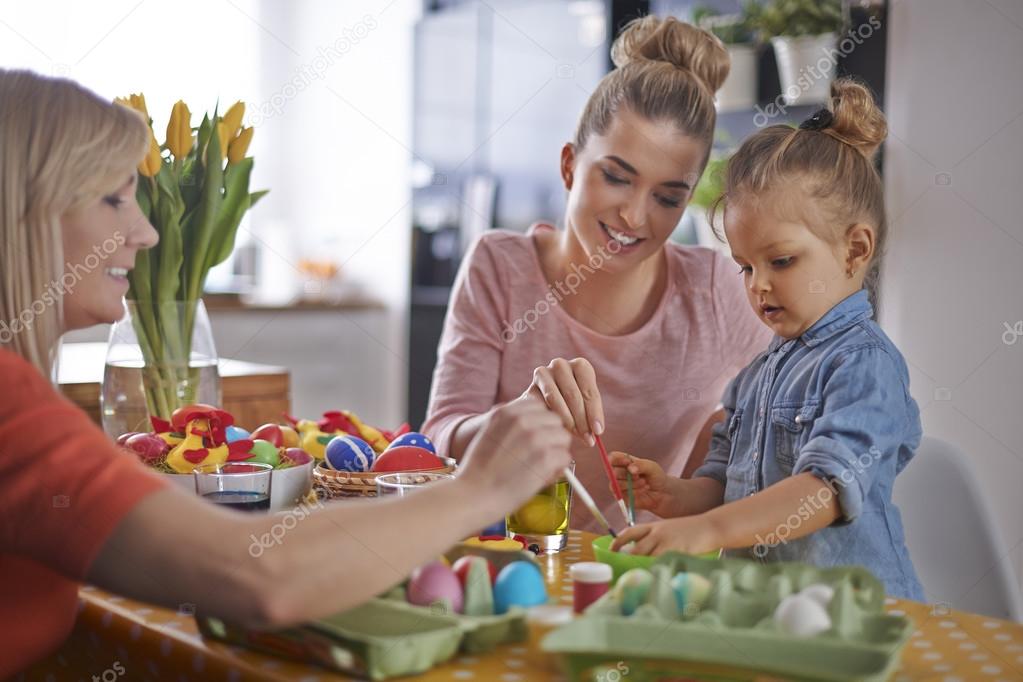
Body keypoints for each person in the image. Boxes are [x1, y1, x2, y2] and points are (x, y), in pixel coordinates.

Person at [0, 68, 573, 677]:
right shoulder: (13, 408)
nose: (146, 232)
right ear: (25, 211)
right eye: (114, 199)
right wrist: (477, 490)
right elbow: (257, 575)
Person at [422, 16, 771, 532]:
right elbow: (437, 441)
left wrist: (724, 447)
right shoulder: (500, 266)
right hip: (507, 558)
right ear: (569, 165)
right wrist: (515, 419)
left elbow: (811, 398)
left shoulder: (717, 290)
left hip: (637, 570)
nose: (634, 215)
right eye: (616, 177)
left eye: (667, 198)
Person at [610, 79, 925, 600]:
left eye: (780, 260)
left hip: (856, 617)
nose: (758, 285)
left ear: (855, 250)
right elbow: (723, 485)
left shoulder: (865, 366)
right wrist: (676, 497)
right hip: (770, 611)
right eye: (745, 267)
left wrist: (709, 531)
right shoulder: (757, 375)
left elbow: (824, 491)